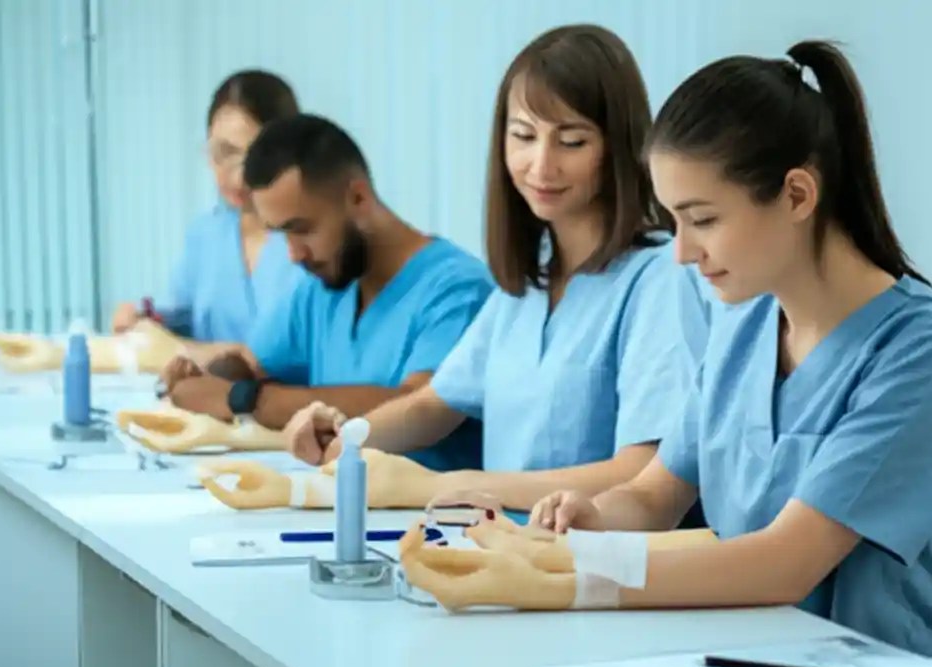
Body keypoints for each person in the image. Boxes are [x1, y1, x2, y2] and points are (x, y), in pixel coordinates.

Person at [513, 41, 932, 667]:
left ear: (798, 196)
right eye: (674, 221)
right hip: (748, 662)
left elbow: (784, 564)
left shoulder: (929, 354)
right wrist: (595, 518)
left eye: (704, 220)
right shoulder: (744, 328)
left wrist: (573, 574)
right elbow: (654, 494)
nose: (682, 253)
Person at [280, 24, 709, 512]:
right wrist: (348, 438)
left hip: (585, 567)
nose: (540, 165)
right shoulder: (527, 282)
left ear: (618, 146)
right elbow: (434, 404)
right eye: (523, 136)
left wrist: (447, 488)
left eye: (571, 142)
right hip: (501, 551)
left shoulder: (660, 279)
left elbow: (640, 473)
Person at [164, 114, 493, 472]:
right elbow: (251, 364)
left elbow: (417, 407)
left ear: (357, 197)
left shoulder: (458, 290)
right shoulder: (323, 286)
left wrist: (244, 399)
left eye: (301, 230)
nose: (293, 254)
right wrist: (207, 377)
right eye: (281, 235)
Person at [112, 70, 305, 348]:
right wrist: (141, 319)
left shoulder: (311, 238)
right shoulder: (206, 235)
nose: (238, 177)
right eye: (224, 154)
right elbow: (177, 318)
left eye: (254, 157)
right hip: (209, 392)